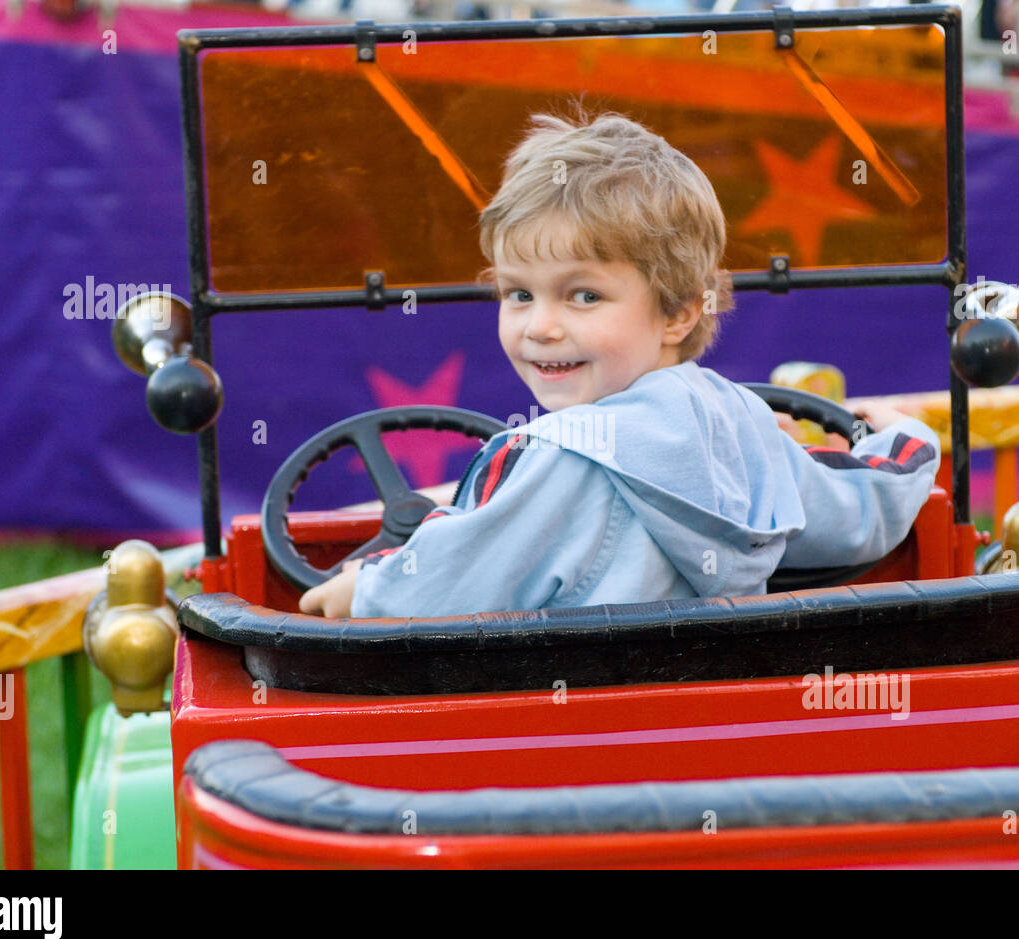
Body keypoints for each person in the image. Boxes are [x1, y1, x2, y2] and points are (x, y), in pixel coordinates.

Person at [300, 110, 940, 619]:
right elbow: (858, 516)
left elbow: (433, 590)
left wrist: (364, 587)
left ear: (679, 313)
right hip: (709, 727)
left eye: (584, 296)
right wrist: (906, 443)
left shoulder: (546, 456)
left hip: (554, 743)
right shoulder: (744, 424)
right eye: (519, 294)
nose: (542, 326)